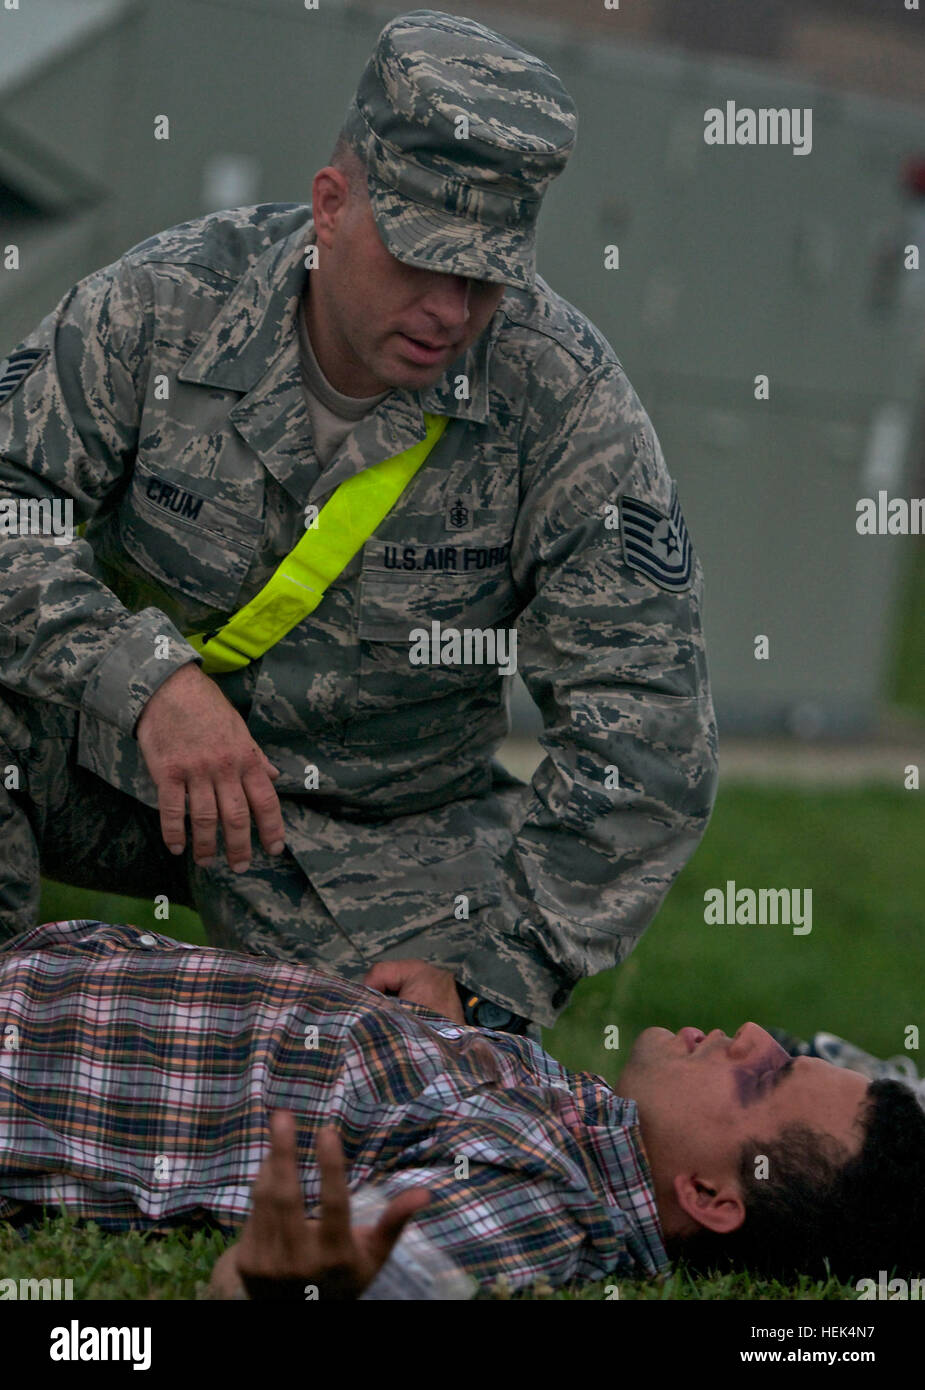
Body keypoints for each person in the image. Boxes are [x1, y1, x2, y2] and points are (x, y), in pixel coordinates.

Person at [0, 10, 718, 1038]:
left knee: (404, 1115)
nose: (446, 308)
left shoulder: (562, 402)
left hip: (382, 831)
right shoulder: (168, 304)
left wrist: (491, 975)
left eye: (482, 276)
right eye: (419, 258)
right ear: (331, 206)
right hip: (132, 759)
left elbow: (648, 729)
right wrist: (143, 678)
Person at [0, 919, 922, 1299]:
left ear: (711, 1197)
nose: (757, 1034)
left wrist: (282, 1286)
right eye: (790, 1054)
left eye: (763, 1078)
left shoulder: (552, 1198)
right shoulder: (588, 1128)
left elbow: (387, 1261)